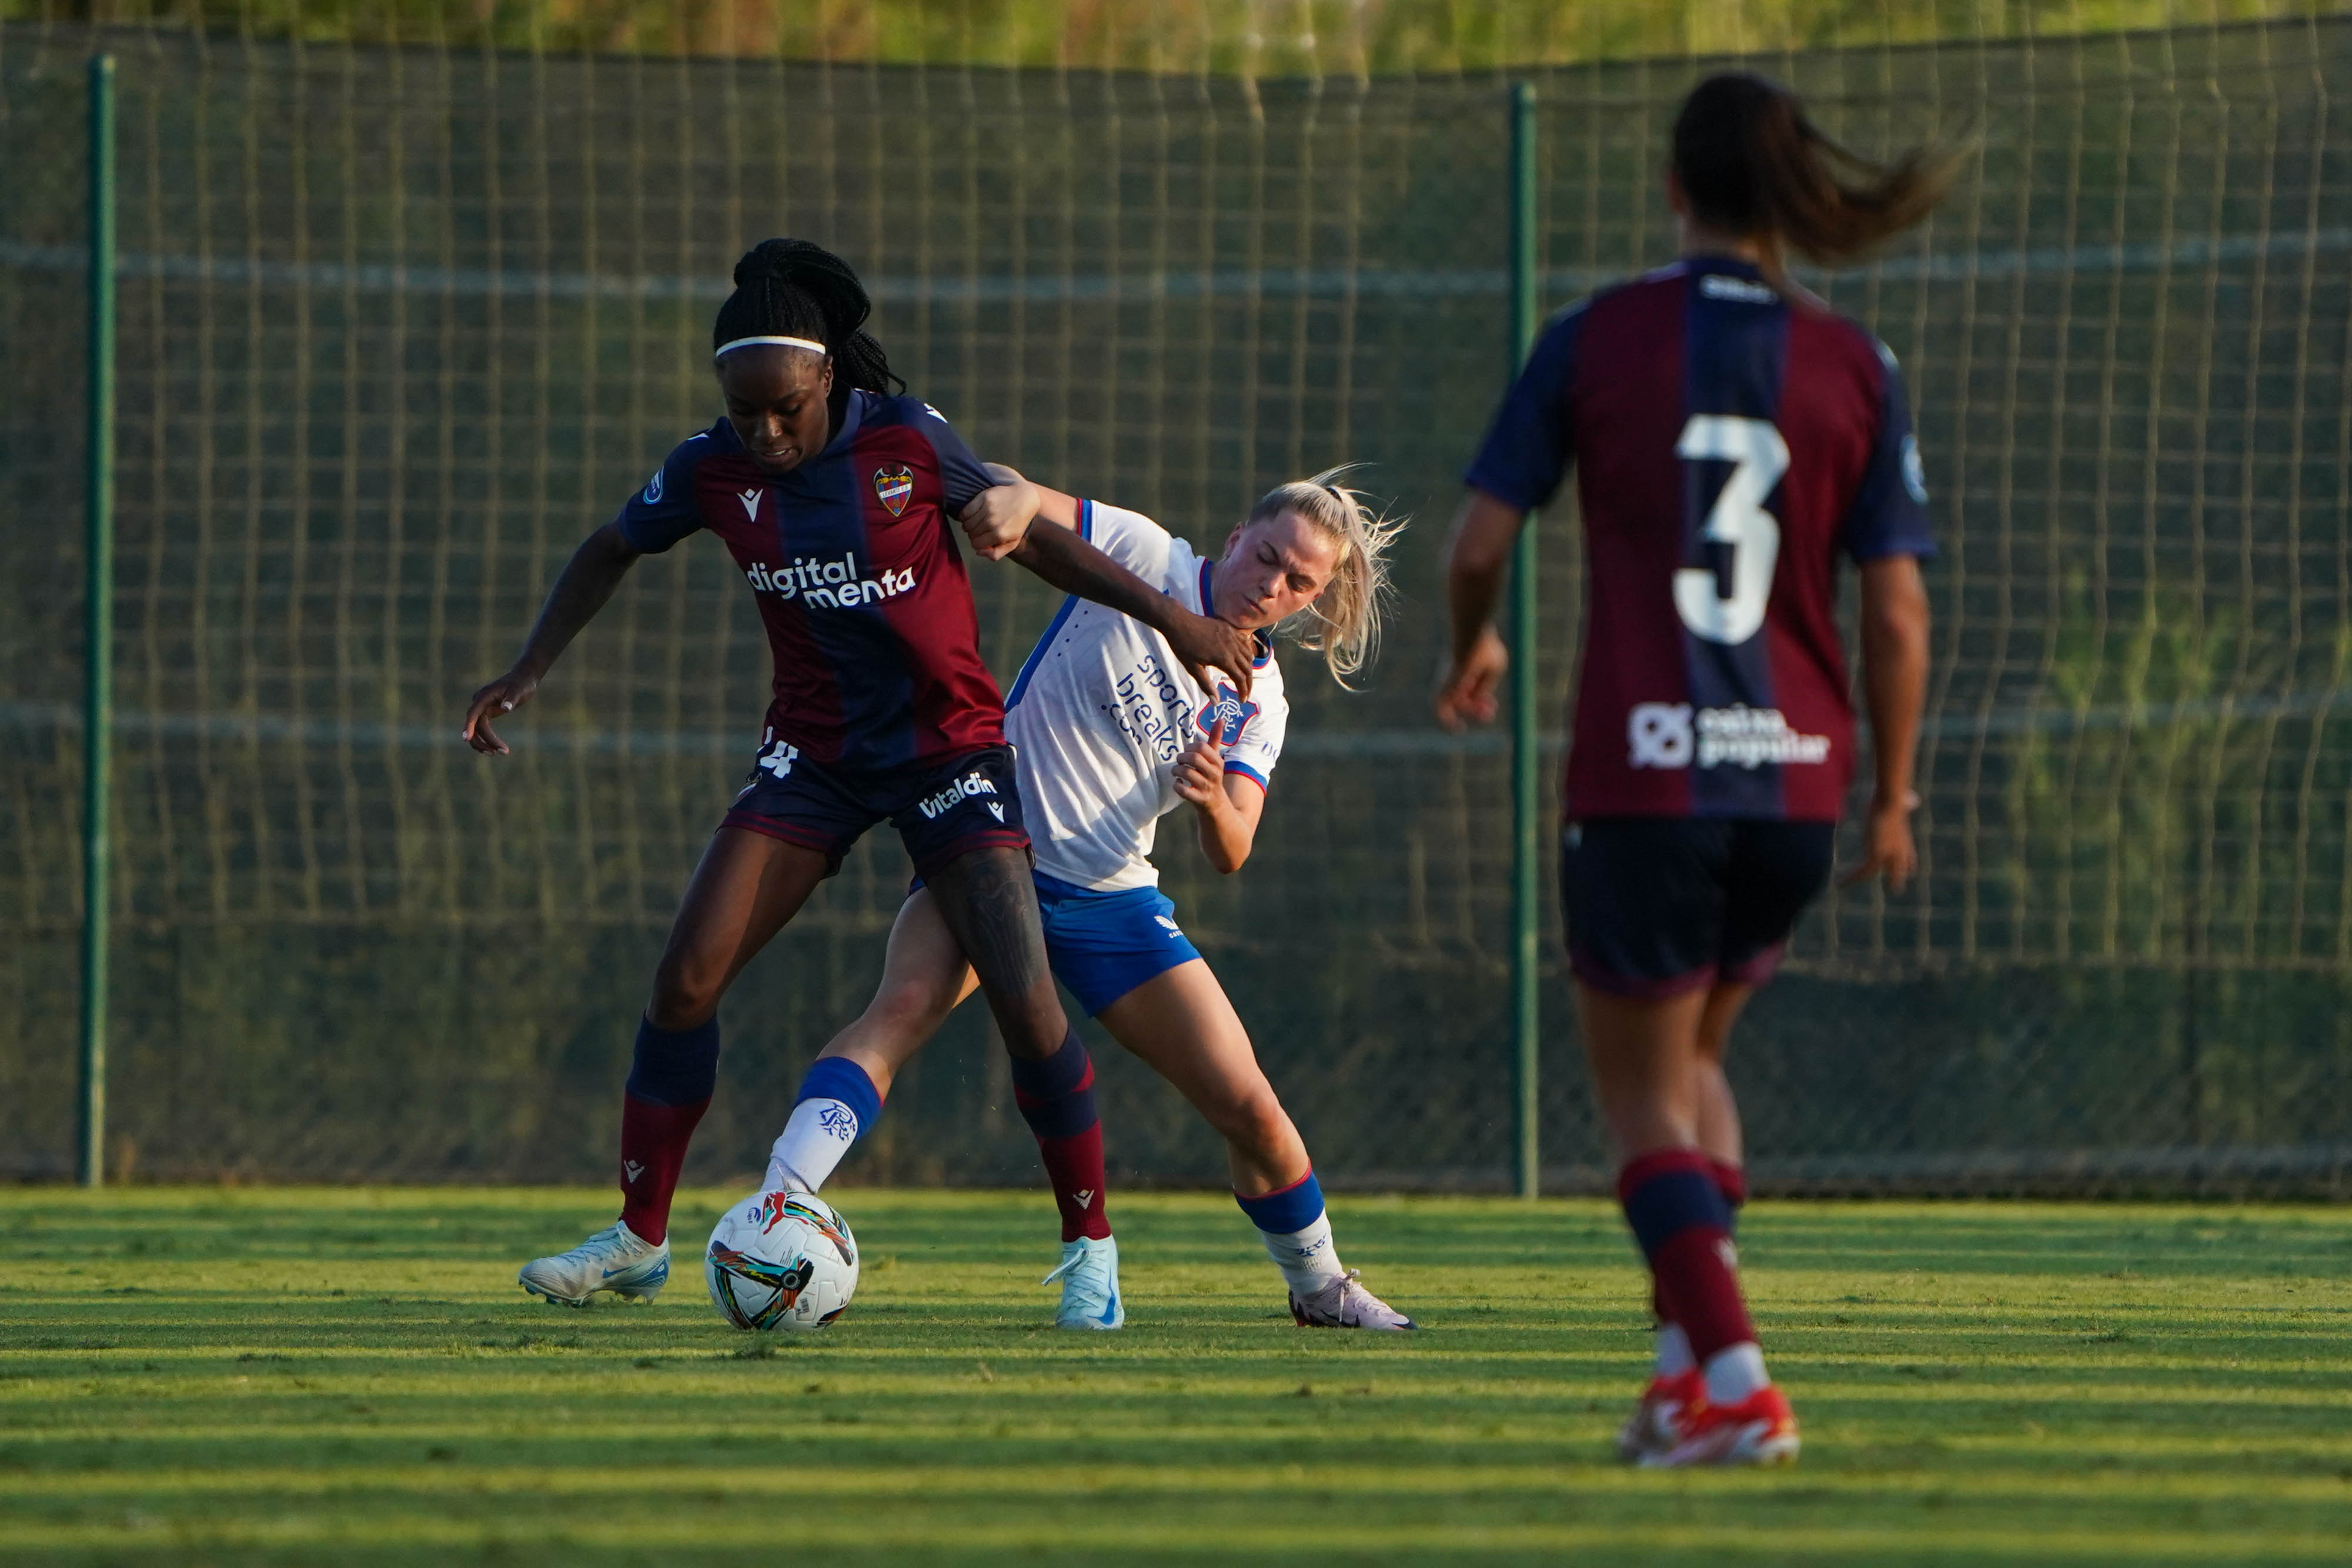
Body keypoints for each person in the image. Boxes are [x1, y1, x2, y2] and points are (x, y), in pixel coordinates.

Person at [463, 239, 1257, 1315]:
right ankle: (637, 1238)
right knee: (685, 978)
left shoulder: (907, 443)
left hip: (949, 751)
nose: (766, 433)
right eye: (745, 413)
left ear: (827, 376)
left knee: (1027, 1006)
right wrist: (529, 667)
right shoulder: (714, 468)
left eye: (783, 409)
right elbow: (613, 545)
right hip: (815, 756)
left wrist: (1181, 621)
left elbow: (1035, 544)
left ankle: (1092, 1254)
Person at [1436, 73, 1950, 1466]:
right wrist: (1893, 793)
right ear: (1786, 195)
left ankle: (1734, 1378)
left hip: (1644, 778)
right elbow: (1895, 614)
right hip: (1793, 784)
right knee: (1699, 1058)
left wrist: (1473, 648)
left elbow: (1475, 546)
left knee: (1639, 1099)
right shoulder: (1854, 363)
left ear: (1670, 189)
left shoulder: (1596, 338)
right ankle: (1679, 1378)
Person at [753, 469, 1415, 1332]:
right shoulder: (1143, 553)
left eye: (1300, 583)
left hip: (1111, 897)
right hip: (992, 854)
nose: (1273, 587)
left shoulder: (1262, 696)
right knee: (904, 1006)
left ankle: (1320, 1288)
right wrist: (1000, 497)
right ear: (1236, 534)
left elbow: (1234, 849)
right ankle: (776, 1206)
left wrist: (1215, 799)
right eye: (1268, 558)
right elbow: (1031, 506)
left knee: (1249, 1104)